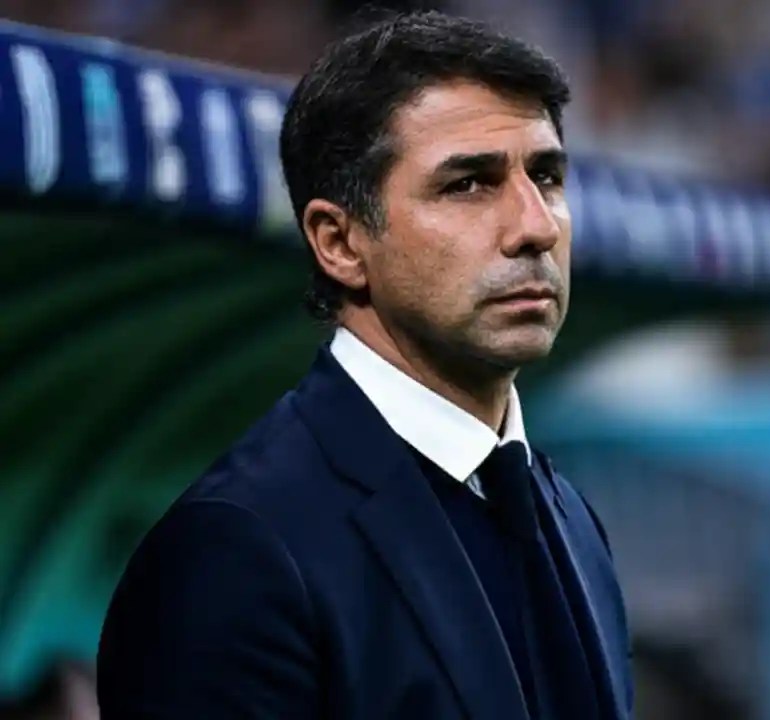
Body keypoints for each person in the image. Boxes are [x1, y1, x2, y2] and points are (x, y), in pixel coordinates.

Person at [96, 10, 633, 720]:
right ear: (339, 243)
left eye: (547, 175)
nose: (534, 226)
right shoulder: (236, 548)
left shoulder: (570, 516)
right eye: (468, 184)